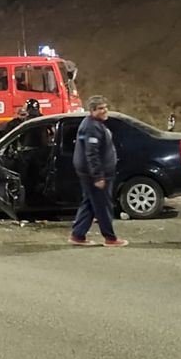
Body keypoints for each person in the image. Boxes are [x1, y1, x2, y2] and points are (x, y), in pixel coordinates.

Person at [69, 95, 128, 247]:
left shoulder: (94, 124)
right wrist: (98, 176)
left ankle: (77, 235)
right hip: (94, 174)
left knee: (89, 203)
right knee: (102, 205)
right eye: (100, 108)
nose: (104, 110)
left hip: (89, 173)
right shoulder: (92, 127)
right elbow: (91, 153)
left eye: (105, 107)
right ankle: (110, 238)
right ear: (92, 110)